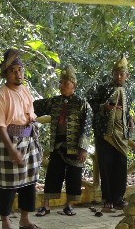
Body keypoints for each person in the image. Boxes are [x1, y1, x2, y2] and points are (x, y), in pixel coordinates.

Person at [0, 48, 44, 229]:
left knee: (30, 182)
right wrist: (11, 149)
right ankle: (6, 224)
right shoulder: (0, 95)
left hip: (29, 139)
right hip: (10, 141)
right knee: (9, 184)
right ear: (6, 73)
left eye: (20, 69)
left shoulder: (26, 91)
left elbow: (30, 114)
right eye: (13, 70)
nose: (18, 73)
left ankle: (25, 220)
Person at [33, 65, 92, 217]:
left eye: (66, 83)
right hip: (57, 144)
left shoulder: (82, 103)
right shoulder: (54, 101)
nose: (62, 86)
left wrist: (84, 148)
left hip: (75, 145)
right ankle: (45, 206)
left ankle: (69, 205)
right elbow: (33, 107)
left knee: (74, 175)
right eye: (60, 82)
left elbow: (87, 126)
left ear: (74, 85)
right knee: (53, 173)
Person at [88, 54, 135, 212]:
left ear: (127, 76)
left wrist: (130, 119)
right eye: (116, 74)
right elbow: (90, 104)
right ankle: (107, 199)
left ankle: (118, 198)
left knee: (120, 166)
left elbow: (125, 110)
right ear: (112, 74)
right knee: (106, 166)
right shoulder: (103, 88)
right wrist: (104, 107)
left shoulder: (127, 91)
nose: (119, 76)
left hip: (121, 134)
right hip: (105, 134)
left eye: (122, 74)